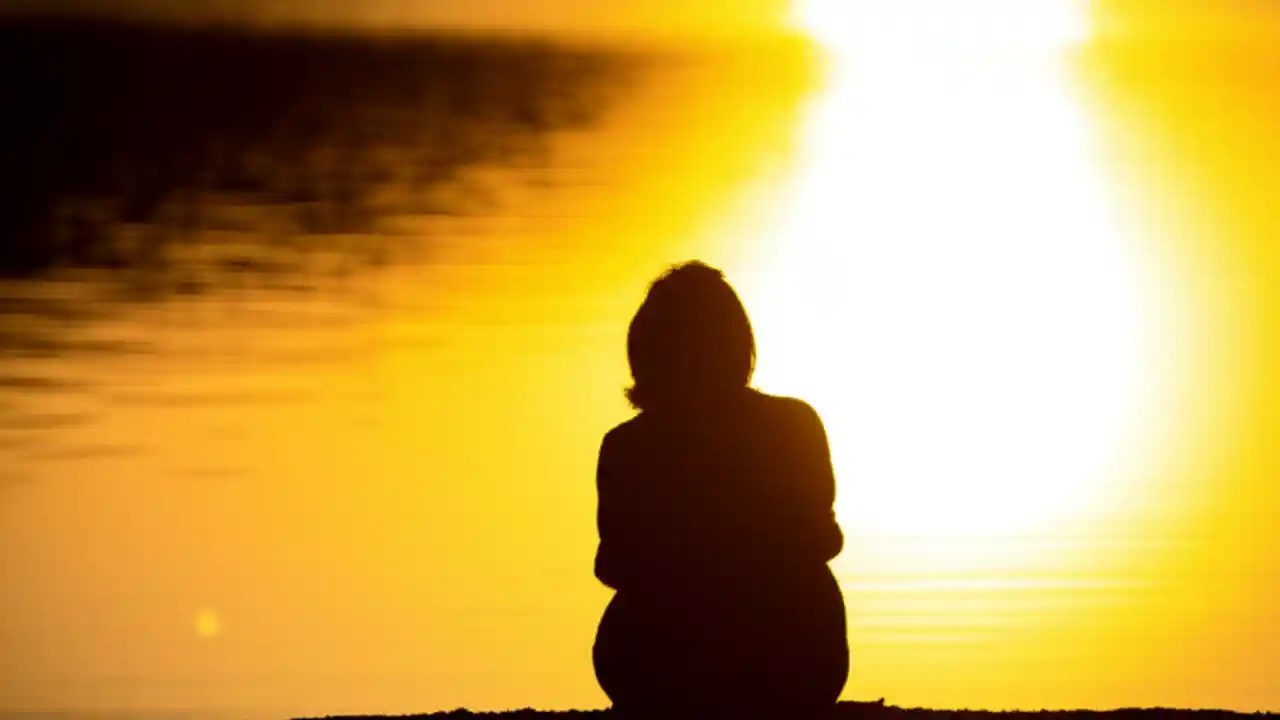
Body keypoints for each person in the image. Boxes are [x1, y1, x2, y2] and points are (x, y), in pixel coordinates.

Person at [592, 261, 848, 719]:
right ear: (739, 345)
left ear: (646, 353)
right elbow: (825, 541)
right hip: (799, 667)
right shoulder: (795, 424)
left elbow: (613, 566)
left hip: (659, 676)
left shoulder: (626, 447)